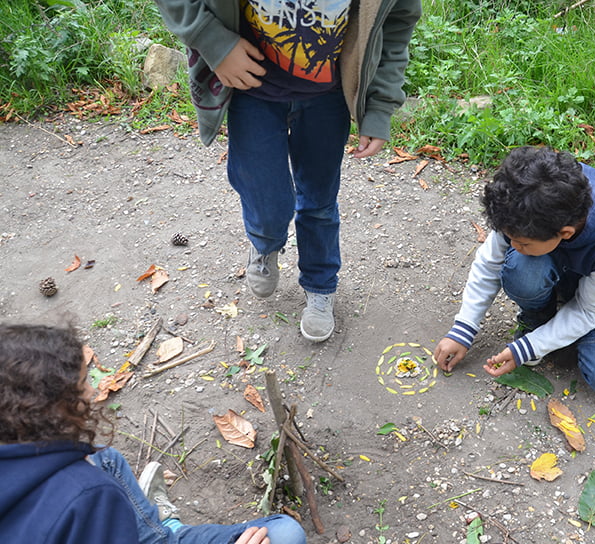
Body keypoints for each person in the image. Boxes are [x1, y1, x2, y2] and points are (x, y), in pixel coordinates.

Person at [153, 0, 422, 342]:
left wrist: (380, 105)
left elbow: (397, 22)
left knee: (320, 200)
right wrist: (214, 42)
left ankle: (321, 285)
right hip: (253, 90)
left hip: (328, 98)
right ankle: (265, 244)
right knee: (265, 197)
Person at [0, 323, 306, 544]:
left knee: (105, 461)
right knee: (284, 537)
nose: (93, 392)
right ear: (50, 409)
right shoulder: (87, 498)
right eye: (83, 384)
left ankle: (160, 535)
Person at [433, 146, 595, 395]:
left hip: (594, 288)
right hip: (545, 266)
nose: (512, 246)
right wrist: (463, 329)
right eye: (508, 238)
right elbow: (489, 264)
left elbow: (590, 310)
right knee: (522, 268)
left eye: (521, 243)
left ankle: (571, 310)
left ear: (565, 233)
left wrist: (529, 347)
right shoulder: (520, 207)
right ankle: (538, 317)